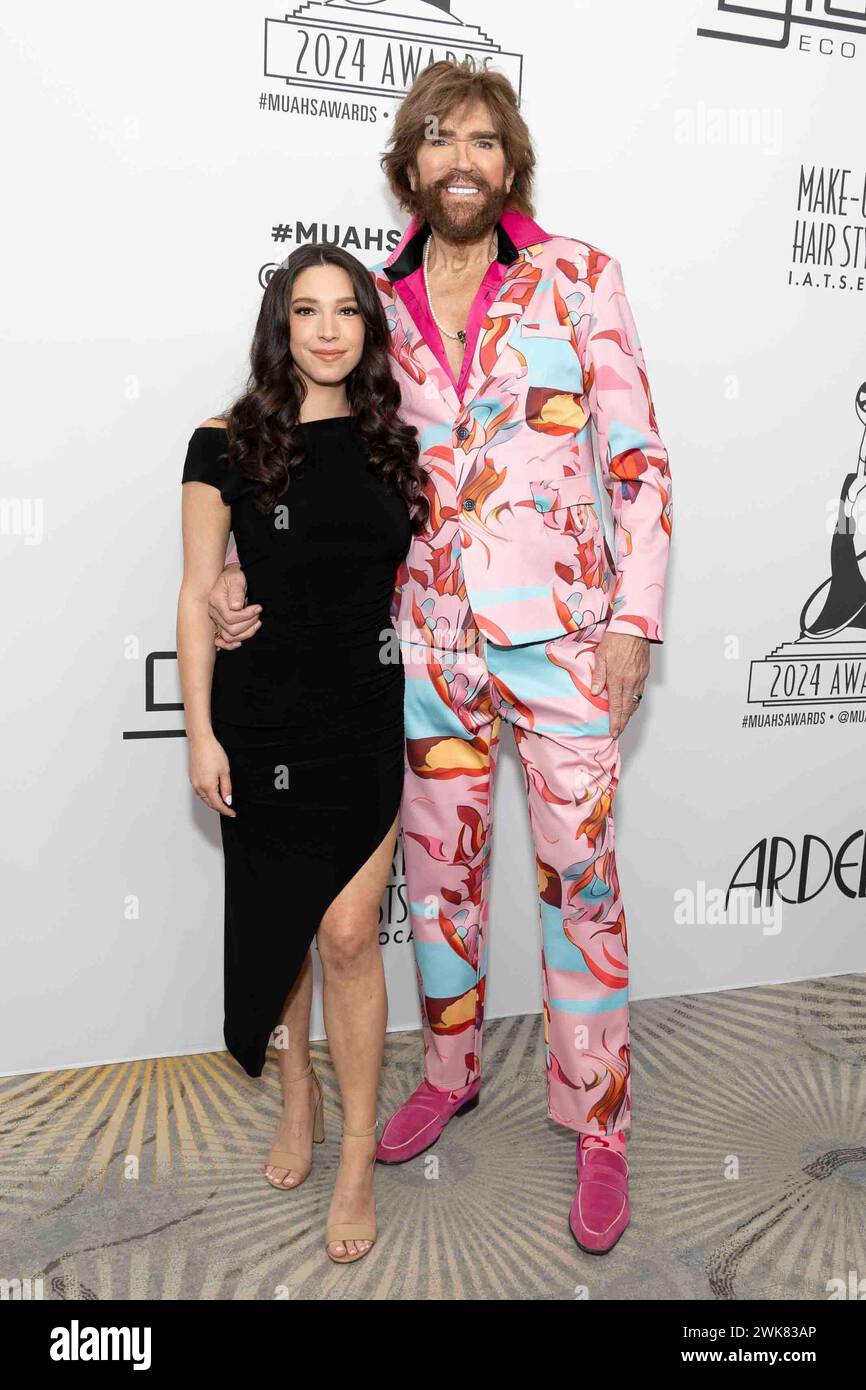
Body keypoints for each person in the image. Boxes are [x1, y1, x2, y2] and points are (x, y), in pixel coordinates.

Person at [207, 59, 673, 1255]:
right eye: (435, 140)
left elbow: (638, 464)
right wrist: (227, 560)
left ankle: (600, 1123)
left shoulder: (578, 277)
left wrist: (633, 622)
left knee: (582, 890)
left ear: (507, 161)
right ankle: (449, 1068)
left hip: (566, 639)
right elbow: (299, 433)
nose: (458, 159)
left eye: (479, 139)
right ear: (408, 166)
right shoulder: (376, 303)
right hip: (423, 643)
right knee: (440, 890)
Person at [176, 244, 428, 1263]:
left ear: (369, 329)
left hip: (363, 712)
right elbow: (198, 593)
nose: (326, 329)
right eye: (305, 311)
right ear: (278, 326)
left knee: (349, 933)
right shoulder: (222, 441)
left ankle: (360, 1151)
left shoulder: (392, 442)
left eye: (346, 312)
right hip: (260, 717)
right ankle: (298, 1088)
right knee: (285, 924)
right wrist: (198, 728)